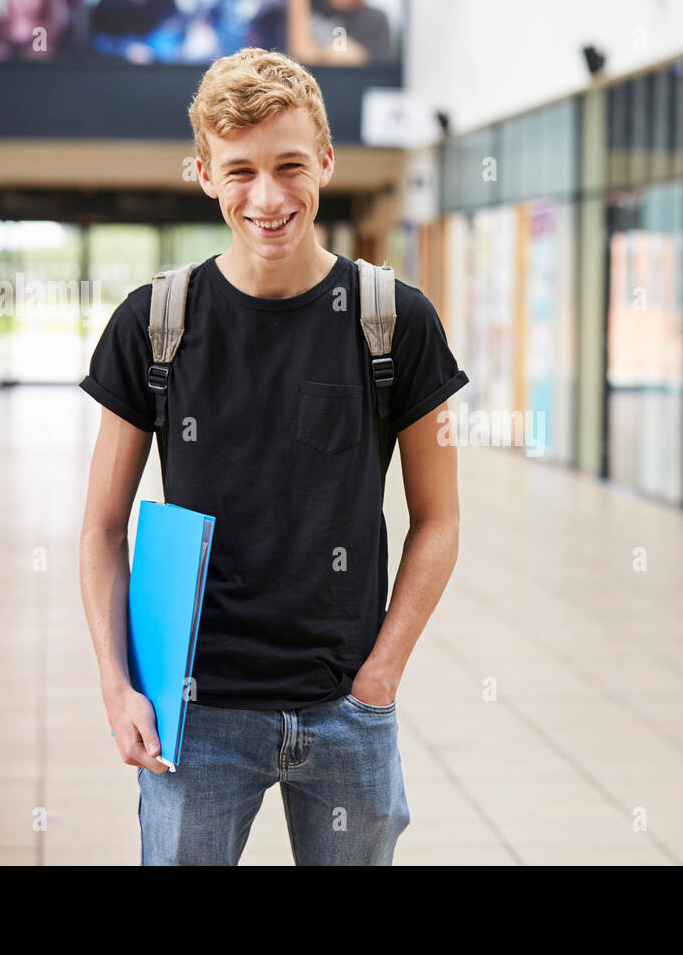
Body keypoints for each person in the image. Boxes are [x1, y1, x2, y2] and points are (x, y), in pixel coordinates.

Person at [77, 47, 467, 865]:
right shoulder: (155, 323)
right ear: (205, 174)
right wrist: (119, 686)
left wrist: (380, 677)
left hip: (346, 713)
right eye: (240, 171)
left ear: (325, 161)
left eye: (290, 166)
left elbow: (439, 519)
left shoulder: (395, 321)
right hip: (198, 714)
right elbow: (102, 528)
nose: (267, 197)